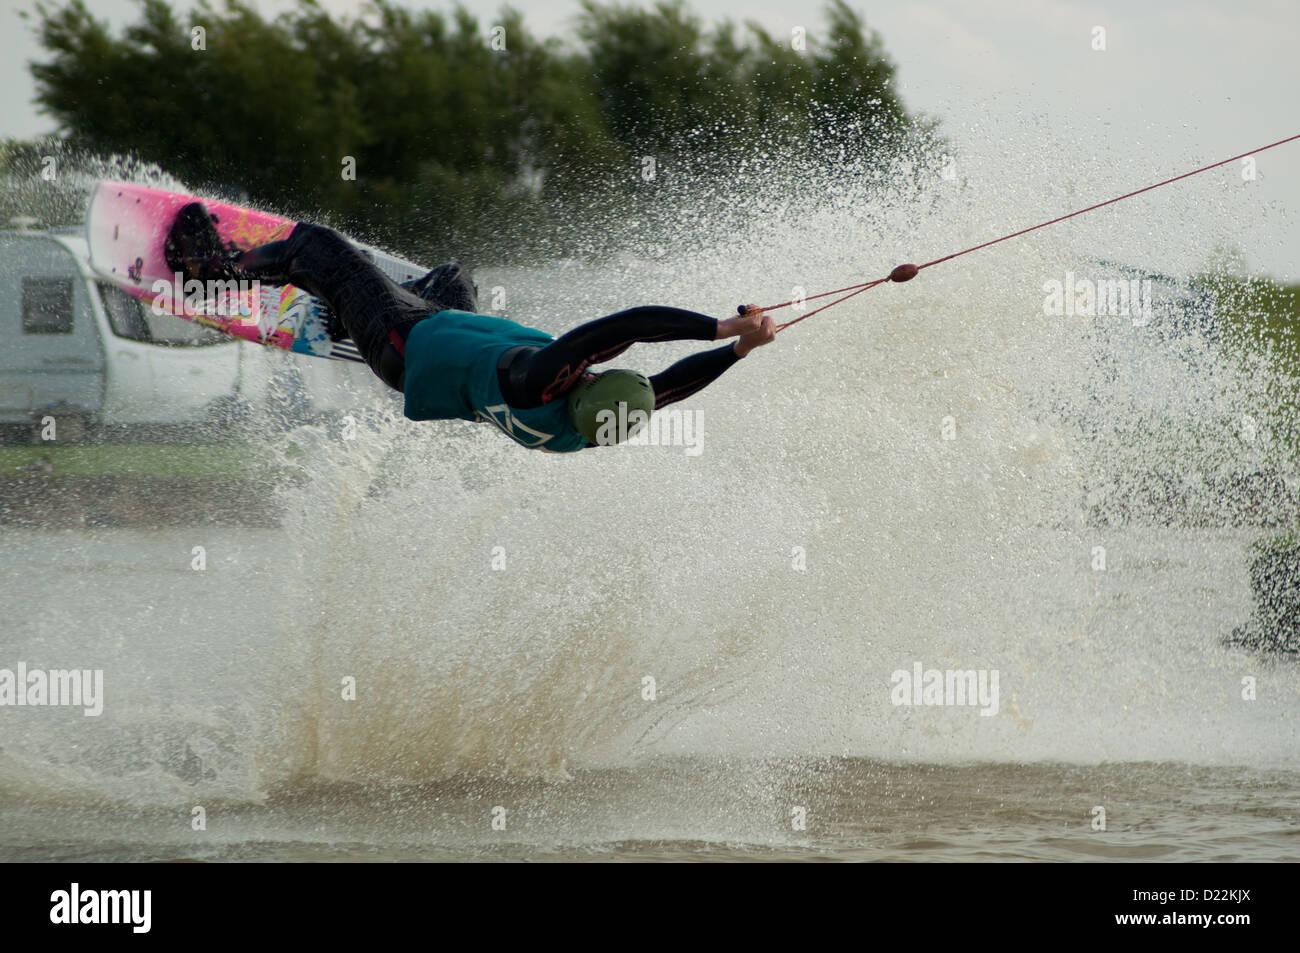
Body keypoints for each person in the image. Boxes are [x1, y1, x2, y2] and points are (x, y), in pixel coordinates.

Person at [165, 203, 775, 452]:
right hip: (447, 329)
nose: (599, 368)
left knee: (320, 250)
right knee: (453, 274)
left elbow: (627, 326)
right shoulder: (592, 430)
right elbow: (672, 387)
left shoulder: (542, 381)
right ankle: (342, 311)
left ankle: (209, 270)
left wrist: (721, 326)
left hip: (405, 341)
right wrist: (740, 352)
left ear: (578, 385)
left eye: (598, 373)